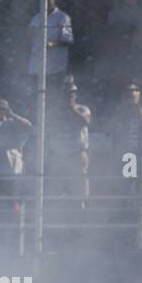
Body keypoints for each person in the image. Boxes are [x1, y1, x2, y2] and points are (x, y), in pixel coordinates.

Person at [45, 75, 91, 205]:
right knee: (53, 193)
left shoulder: (83, 109)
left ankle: (79, 221)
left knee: (79, 194)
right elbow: (46, 130)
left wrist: (71, 108)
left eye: (71, 93)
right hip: (56, 157)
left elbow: (85, 122)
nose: (69, 96)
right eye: (66, 93)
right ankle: (54, 220)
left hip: (76, 156)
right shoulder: (52, 112)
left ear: (75, 95)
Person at [28, 0, 73, 86]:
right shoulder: (36, 18)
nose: (46, 2)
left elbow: (67, 40)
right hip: (36, 67)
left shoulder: (62, 17)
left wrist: (51, 44)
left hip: (55, 67)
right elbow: (29, 38)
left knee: (54, 93)